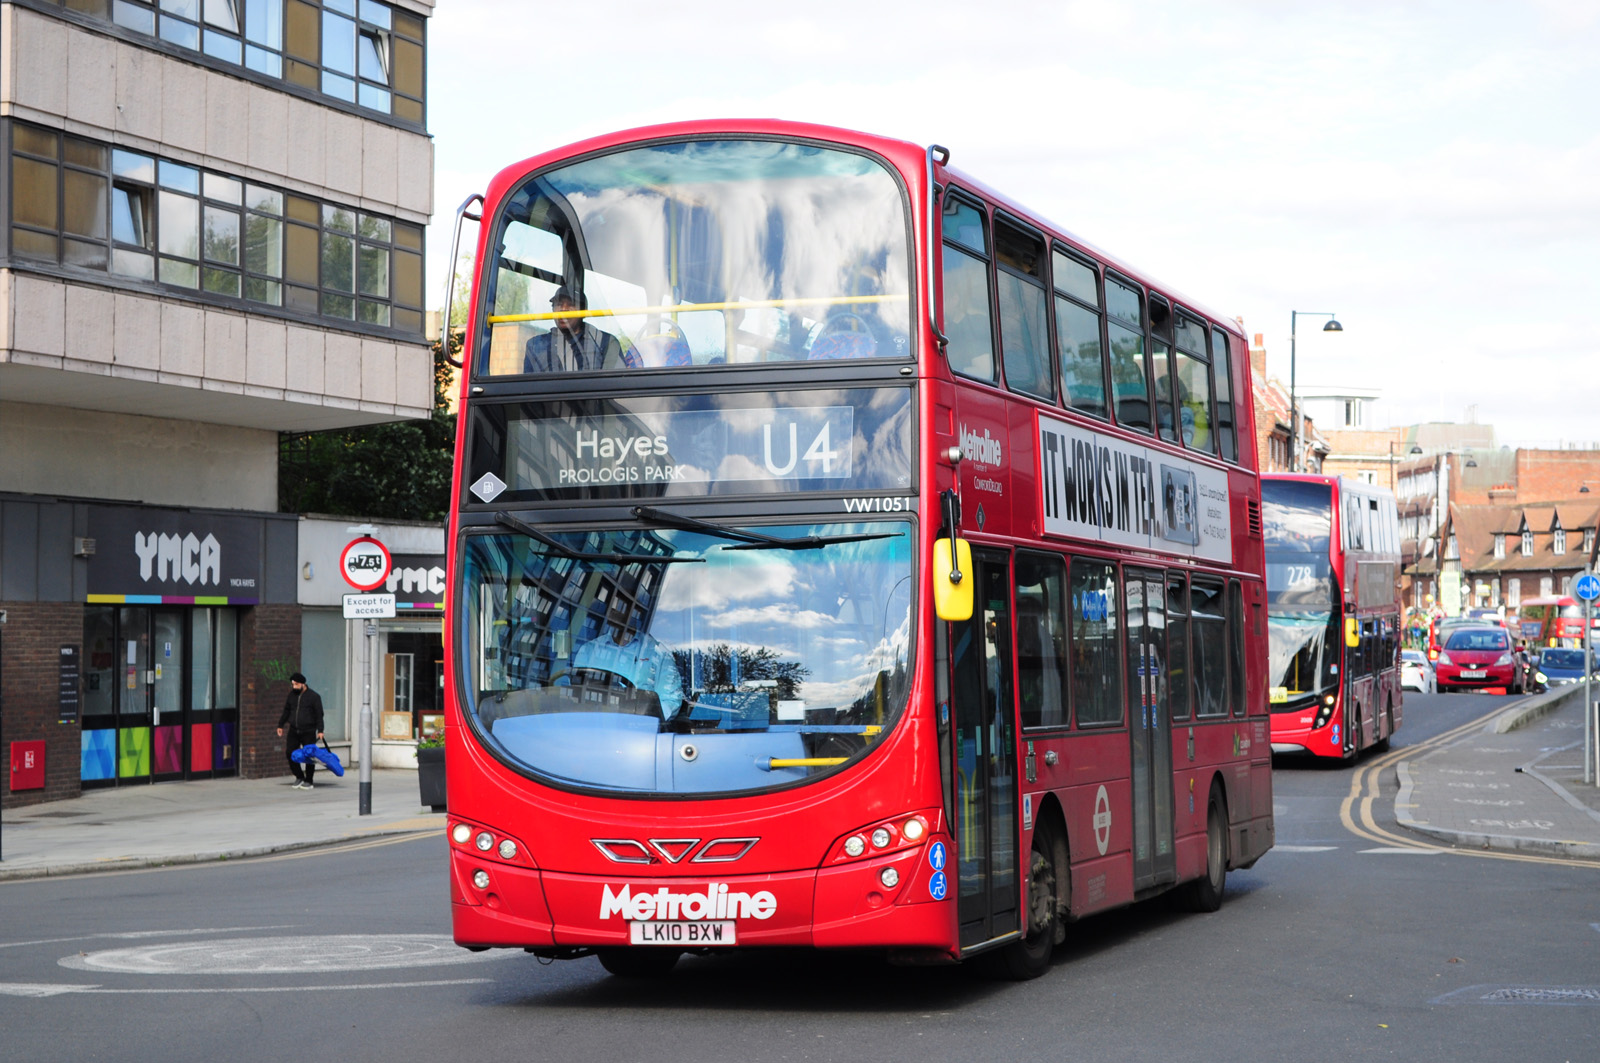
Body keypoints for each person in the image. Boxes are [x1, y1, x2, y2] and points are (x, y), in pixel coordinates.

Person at [567, 605, 684, 718]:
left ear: (633, 612)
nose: (613, 609)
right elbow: (573, 693)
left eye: (620, 605)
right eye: (611, 604)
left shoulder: (658, 653)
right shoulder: (589, 650)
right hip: (592, 728)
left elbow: (669, 701)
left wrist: (646, 721)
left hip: (638, 732)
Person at [523, 285, 639, 373]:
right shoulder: (536, 346)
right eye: (559, 304)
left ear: (583, 311)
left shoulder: (605, 342)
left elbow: (615, 388)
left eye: (571, 304)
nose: (563, 309)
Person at [277, 672, 325, 789]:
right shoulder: (291, 696)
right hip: (294, 729)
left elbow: (319, 714)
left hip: (308, 730)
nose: (294, 687)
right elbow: (286, 711)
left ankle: (309, 780)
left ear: (303, 684)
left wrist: (320, 730)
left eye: (296, 684)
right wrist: (280, 725)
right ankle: (299, 776)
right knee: (290, 752)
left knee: (309, 754)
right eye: (293, 684)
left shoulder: (314, 697)